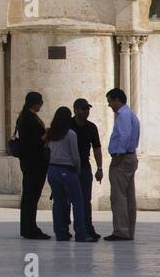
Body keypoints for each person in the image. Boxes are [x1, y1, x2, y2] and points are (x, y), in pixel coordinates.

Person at [44, 106, 96, 242]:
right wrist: (77, 170)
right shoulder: (70, 134)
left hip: (52, 170)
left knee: (58, 203)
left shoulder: (51, 134)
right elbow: (75, 156)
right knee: (77, 202)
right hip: (67, 170)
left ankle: (60, 233)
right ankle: (81, 233)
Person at [104, 87, 140, 241]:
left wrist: (119, 154)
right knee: (128, 196)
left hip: (123, 158)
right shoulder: (130, 114)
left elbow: (124, 136)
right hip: (129, 157)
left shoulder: (123, 115)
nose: (109, 105)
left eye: (110, 101)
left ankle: (121, 231)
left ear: (117, 100)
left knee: (118, 196)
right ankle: (128, 230)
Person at [14, 91, 50, 240]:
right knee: (31, 195)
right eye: (40, 103)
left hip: (29, 161)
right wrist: (45, 136)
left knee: (29, 196)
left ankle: (28, 227)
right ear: (35, 103)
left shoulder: (25, 117)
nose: (41, 105)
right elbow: (33, 142)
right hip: (34, 162)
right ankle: (30, 228)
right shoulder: (28, 119)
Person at [71, 97, 103, 240]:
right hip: (69, 169)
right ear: (75, 110)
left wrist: (100, 167)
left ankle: (88, 228)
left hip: (84, 168)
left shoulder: (91, 127)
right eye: (83, 109)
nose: (86, 112)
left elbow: (97, 148)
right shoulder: (68, 125)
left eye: (87, 109)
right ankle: (67, 230)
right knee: (68, 201)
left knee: (85, 201)